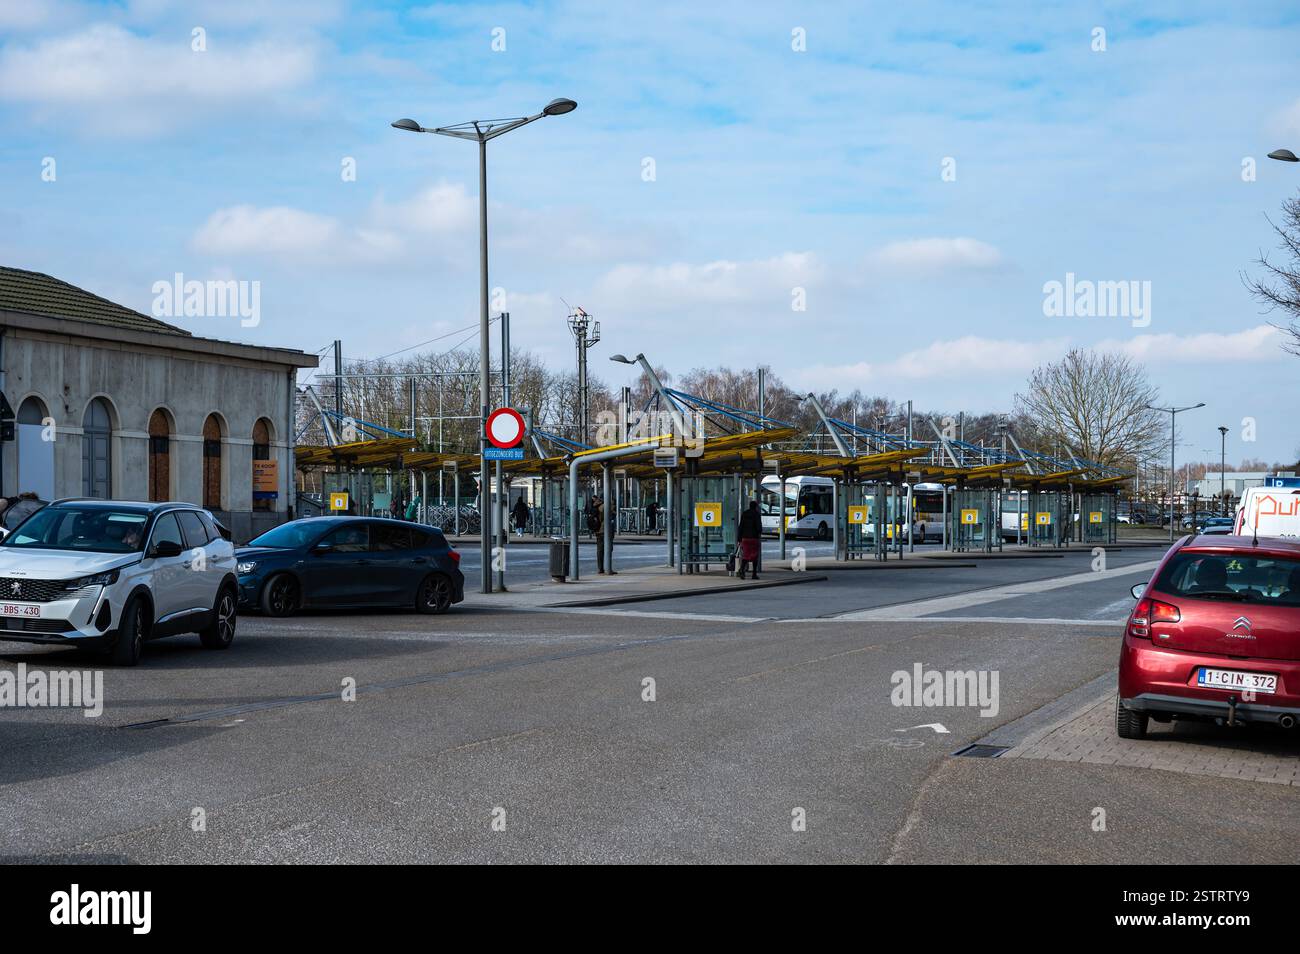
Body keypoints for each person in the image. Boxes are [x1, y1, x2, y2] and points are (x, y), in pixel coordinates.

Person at [736, 499, 763, 580]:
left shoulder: (744, 514)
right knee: (755, 556)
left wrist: (739, 539)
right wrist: (759, 532)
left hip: (745, 538)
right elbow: (759, 528)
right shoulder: (757, 514)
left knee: (745, 555)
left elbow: (740, 527)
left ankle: (742, 570)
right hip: (754, 538)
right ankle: (754, 574)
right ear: (756, 507)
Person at [589, 497, 615, 574]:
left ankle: (600, 568)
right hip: (605, 530)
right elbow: (613, 513)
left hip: (598, 530)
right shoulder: (605, 506)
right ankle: (608, 568)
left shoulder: (596, 506)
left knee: (600, 550)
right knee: (609, 549)